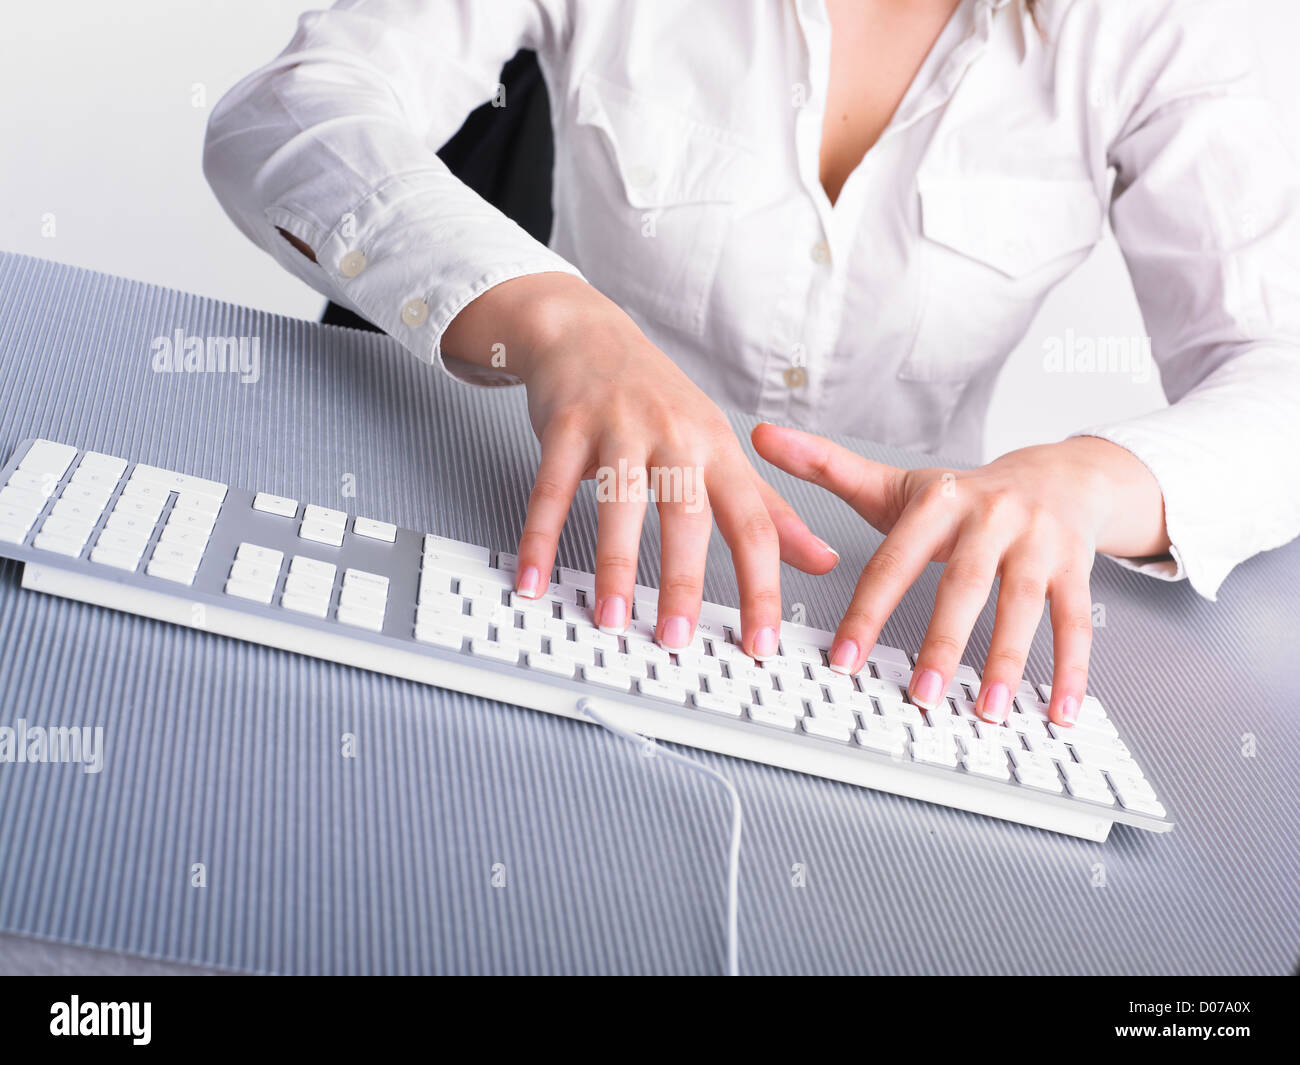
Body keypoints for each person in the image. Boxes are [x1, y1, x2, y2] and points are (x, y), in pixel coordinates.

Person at [204, 0, 1300, 729]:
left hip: (893, 638)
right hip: (561, 546)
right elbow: (291, 109)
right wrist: (555, 321)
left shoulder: (1160, 27)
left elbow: (1279, 365)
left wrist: (1090, 479)